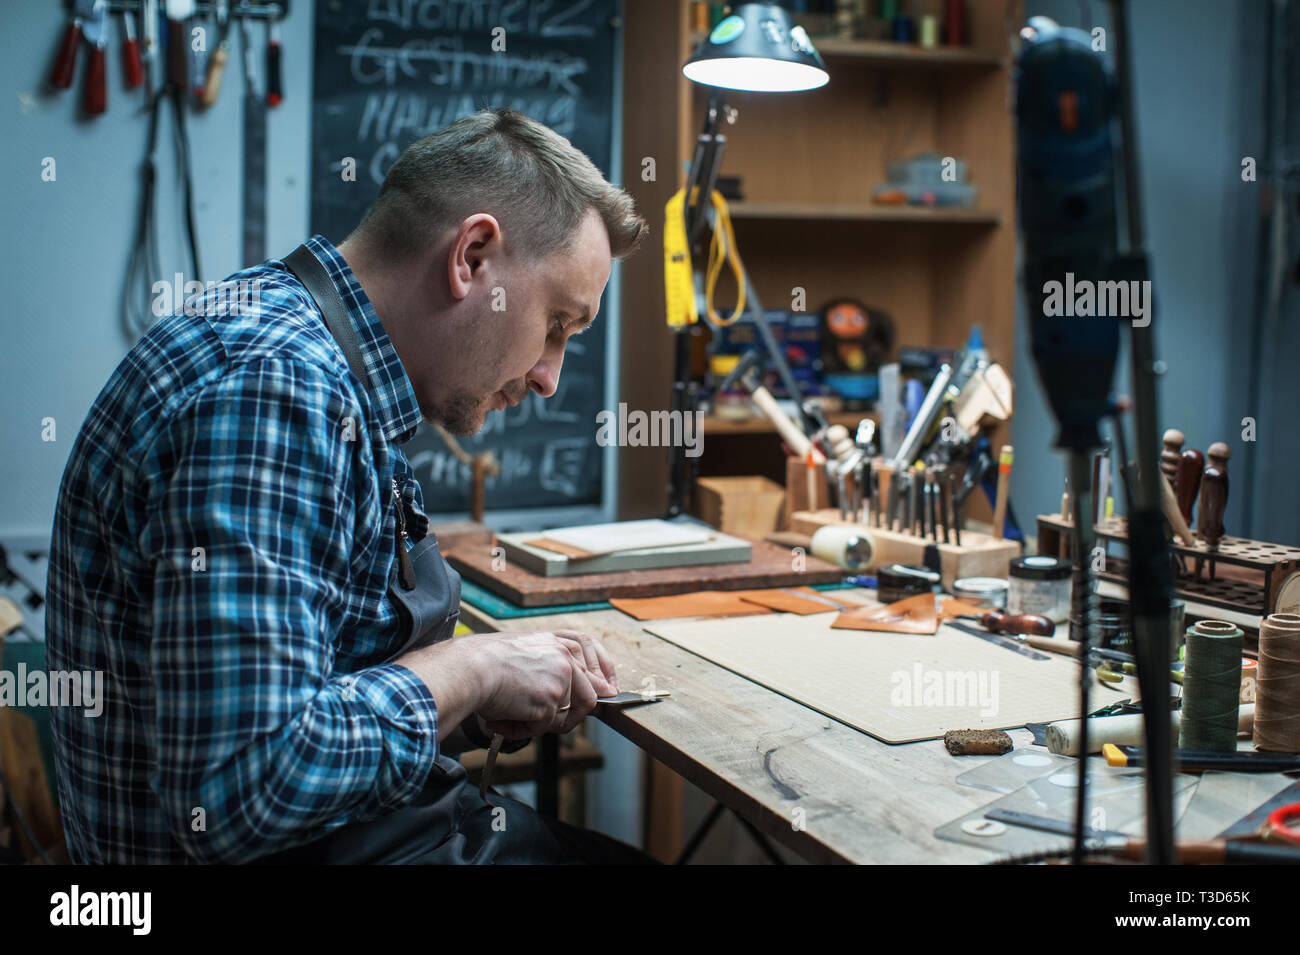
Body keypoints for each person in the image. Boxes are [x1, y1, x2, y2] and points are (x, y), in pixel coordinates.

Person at [45, 108, 650, 864]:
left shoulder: (318, 357)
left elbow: (327, 672)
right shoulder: (276, 389)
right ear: (473, 256)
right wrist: (476, 665)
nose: (549, 376)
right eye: (558, 321)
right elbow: (245, 786)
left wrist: (485, 698)